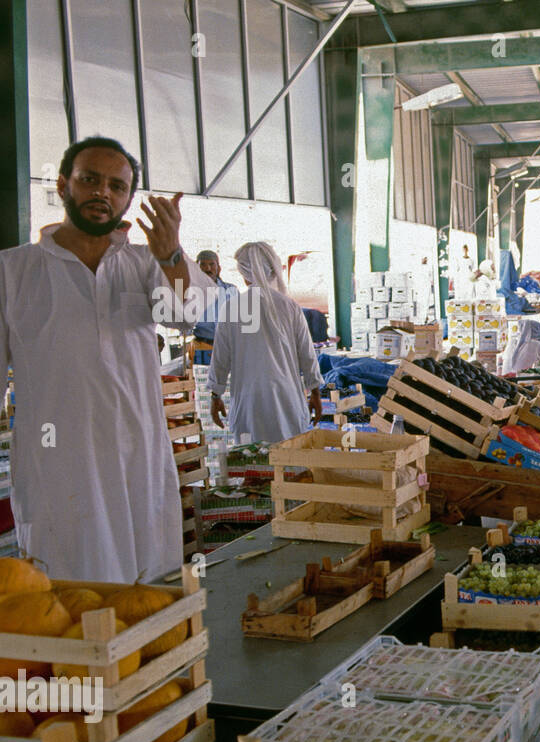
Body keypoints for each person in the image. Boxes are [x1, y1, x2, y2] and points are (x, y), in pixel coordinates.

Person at [0, 136, 217, 581]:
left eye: (117, 186)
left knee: (148, 597)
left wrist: (171, 255)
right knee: (70, 600)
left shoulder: (145, 264)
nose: (103, 193)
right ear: (63, 185)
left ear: (128, 199)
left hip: (138, 460)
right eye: (90, 180)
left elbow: (185, 313)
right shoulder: (14, 271)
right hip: (57, 464)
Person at [210, 241, 323, 444]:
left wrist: (215, 396)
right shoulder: (289, 306)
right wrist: (315, 392)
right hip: (286, 399)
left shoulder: (231, 308)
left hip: (248, 402)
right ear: (272, 270)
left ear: (244, 276)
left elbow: (220, 358)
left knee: (253, 462)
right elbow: (307, 354)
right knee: (289, 465)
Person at [193, 249, 237, 364]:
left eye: (212, 264)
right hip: (201, 347)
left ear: (218, 268)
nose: (208, 268)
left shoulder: (231, 290)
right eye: (203, 264)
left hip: (228, 347)